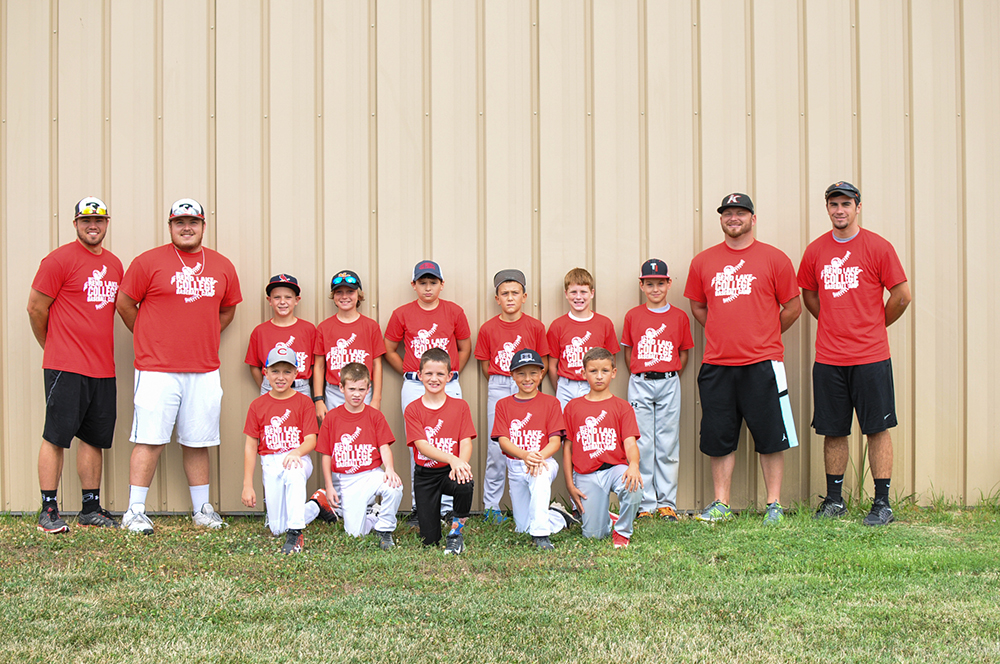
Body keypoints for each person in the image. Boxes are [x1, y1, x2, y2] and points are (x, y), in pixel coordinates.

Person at [116, 198, 242, 534]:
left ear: (203, 225)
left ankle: (202, 508)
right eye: (179, 223)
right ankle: (135, 511)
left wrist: (204, 333)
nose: (186, 228)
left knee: (198, 440)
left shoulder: (222, 265)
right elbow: (125, 302)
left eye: (193, 222)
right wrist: (147, 333)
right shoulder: (148, 262)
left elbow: (228, 309)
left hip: (203, 367)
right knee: (150, 438)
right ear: (170, 226)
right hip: (156, 367)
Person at [797, 181, 911, 526]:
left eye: (846, 204)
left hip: (871, 356)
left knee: (877, 428)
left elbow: (902, 295)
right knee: (834, 430)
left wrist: (874, 324)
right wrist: (834, 322)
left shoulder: (878, 247)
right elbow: (810, 296)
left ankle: (882, 503)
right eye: (834, 205)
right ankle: (834, 501)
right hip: (830, 357)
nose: (839, 210)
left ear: (858, 207)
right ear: (827, 209)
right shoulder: (815, 251)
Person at [684, 193, 801, 524]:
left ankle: (774, 504)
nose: (733, 218)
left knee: (770, 435)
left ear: (753, 217)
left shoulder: (774, 259)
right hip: (718, 364)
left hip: (763, 363)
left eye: (740, 212)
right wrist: (724, 330)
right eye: (727, 213)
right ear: (721, 219)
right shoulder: (703, 261)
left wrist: (764, 332)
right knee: (719, 437)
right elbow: (698, 305)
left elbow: (792, 306)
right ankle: (721, 503)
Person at [28, 196, 124, 532]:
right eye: (86, 221)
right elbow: (36, 308)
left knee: (93, 437)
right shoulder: (58, 260)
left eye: (98, 220)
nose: (92, 226)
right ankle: (48, 509)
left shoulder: (114, 264)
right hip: (65, 364)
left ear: (107, 223)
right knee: (56, 436)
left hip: (103, 368)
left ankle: (90, 507)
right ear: (76, 224)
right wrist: (52, 344)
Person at [385, 260, 471, 520]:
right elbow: (389, 349)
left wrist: (450, 374)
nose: (427, 287)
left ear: (441, 285)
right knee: (420, 443)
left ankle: (448, 506)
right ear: (414, 285)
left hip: (448, 382)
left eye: (433, 282)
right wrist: (413, 373)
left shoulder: (454, 311)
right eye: (422, 283)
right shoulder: (402, 313)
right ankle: (420, 506)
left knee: (450, 439)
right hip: (414, 383)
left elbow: (465, 348)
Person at [474, 269, 550, 523]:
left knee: (530, 440)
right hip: (498, 383)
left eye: (515, 293)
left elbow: (544, 363)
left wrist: (527, 385)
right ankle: (491, 506)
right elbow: (486, 366)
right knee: (497, 447)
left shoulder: (535, 327)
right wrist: (503, 384)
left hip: (528, 385)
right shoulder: (488, 328)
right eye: (504, 293)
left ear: (524, 296)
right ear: (497, 298)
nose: (510, 298)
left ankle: (533, 500)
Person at [620, 259, 693, 521]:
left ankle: (666, 503)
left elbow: (683, 353)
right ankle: (645, 504)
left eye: (660, 283)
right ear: (642, 285)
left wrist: (668, 374)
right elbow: (628, 352)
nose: (655, 288)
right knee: (643, 442)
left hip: (669, 381)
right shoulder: (633, 315)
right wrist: (642, 372)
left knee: (667, 443)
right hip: (640, 381)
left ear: (668, 283)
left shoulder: (679, 316)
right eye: (649, 284)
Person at [492, 349, 576, 550]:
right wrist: (525, 456)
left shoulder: (551, 402)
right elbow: (503, 440)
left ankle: (540, 536)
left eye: (533, 373)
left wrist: (536, 459)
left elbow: (555, 442)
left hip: (544, 461)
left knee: (540, 475)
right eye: (521, 373)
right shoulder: (503, 404)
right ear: (512, 375)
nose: (527, 378)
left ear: (541, 374)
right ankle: (558, 516)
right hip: (517, 463)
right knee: (522, 527)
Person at [315, 362, 402, 550]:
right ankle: (373, 518)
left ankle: (385, 530)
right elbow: (326, 455)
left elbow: (385, 447)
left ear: (368, 389)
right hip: (347, 479)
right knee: (355, 534)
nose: (356, 393)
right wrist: (329, 486)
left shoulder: (374, 416)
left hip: (371, 473)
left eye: (361, 389)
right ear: (341, 388)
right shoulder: (332, 418)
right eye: (352, 388)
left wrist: (390, 470)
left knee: (394, 486)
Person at [241, 345, 319, 554]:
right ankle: (316, 505)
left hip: (298, 457)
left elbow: (311, 439)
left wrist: (297, 452)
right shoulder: (258, 405)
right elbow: (250, 446)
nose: (281, 377)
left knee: (294, 472)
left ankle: (295, 534)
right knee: (276, 528)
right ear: (265, 372)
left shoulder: (303, 402)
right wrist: (248, 484)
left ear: (296, 373)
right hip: (271, 461)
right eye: (275, 371)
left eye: (287, 371)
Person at [562, 348, 643, 548]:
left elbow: (630, 442)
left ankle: (622, 532)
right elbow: (567, 448)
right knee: (593, 536)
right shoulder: (573, 407)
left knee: (634, 485)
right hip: (586, 473)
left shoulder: (622, 407)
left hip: (615, 468)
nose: (599, 376)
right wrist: (570, 485)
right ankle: (606, 518)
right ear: (583, 373)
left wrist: (633, 464)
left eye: (605, 371)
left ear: (614, 373)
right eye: (593, 371)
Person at [403, 348, 476, 555]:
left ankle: (456, 532)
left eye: (440, 374)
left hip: (448, 472)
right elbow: (422, 446)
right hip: (425, 476)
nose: (434, 379)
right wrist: (453, 458)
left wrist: (460, 464)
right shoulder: (413, 409)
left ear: (449, 376)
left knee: (465, 482)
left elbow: (466, 441)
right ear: (420, 376)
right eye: (429, 373)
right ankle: (433, 527)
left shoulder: (460, 406)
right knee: (430, 541)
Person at [313, 270, 385, 419]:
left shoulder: (370, 326)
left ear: (359, 295)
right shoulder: (324, 327)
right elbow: (319, 366)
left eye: (350, 291)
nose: (344, 296)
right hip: (334, 391)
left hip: (363, 390)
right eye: (339, 292)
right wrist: (318, 399)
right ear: (333, 296)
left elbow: (377, 364)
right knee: (336, 437)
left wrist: (376, 399)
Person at [546, 267, 621, 409]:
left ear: (592, 293)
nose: (578, 297)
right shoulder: (558, 325)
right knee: (565, 428)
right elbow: (552, 365)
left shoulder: (604, 323)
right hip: (566, 385)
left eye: (583, 292)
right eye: (573, 292)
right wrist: (560, 387)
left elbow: (611, 360)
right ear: (566, 294)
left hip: (592, 384)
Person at [245, 274, 316, 397]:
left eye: (288, 297)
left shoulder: (308, 329)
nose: (282, 302)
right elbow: (254, 365)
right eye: (277, 297)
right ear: (270, 301)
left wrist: (304, 383)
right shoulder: (260, 331)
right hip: (270, 387)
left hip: (301, 387)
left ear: (296, 300)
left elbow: (315, 365)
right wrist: (267, 384)